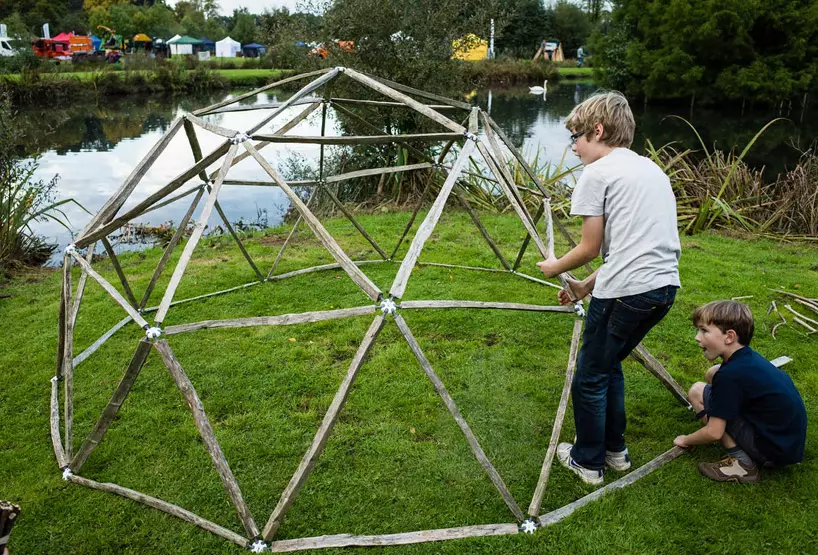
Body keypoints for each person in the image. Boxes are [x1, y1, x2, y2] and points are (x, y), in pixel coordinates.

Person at [536, 91, 681, 485]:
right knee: (609, 365)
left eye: (576, 139)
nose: (574, 149)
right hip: (663, 289)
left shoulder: (597, 174)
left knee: (590, 376)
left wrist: (555, 267)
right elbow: (631, 247)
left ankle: (587, 461)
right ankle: (614, 452)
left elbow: (590, 247)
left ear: (597, 130)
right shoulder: (650, 170)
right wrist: (583, 286)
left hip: (625, 293)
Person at [674, 301, 807, 483]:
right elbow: (716, 375)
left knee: (697, 391)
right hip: (786, 444)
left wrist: (686, 439)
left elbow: (714, 433)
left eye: (704, 331)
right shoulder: (748, 358)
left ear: (729, 337)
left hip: (771, 452)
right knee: (713, 372)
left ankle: (742, 464)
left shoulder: (730, 376)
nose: (698, 337)